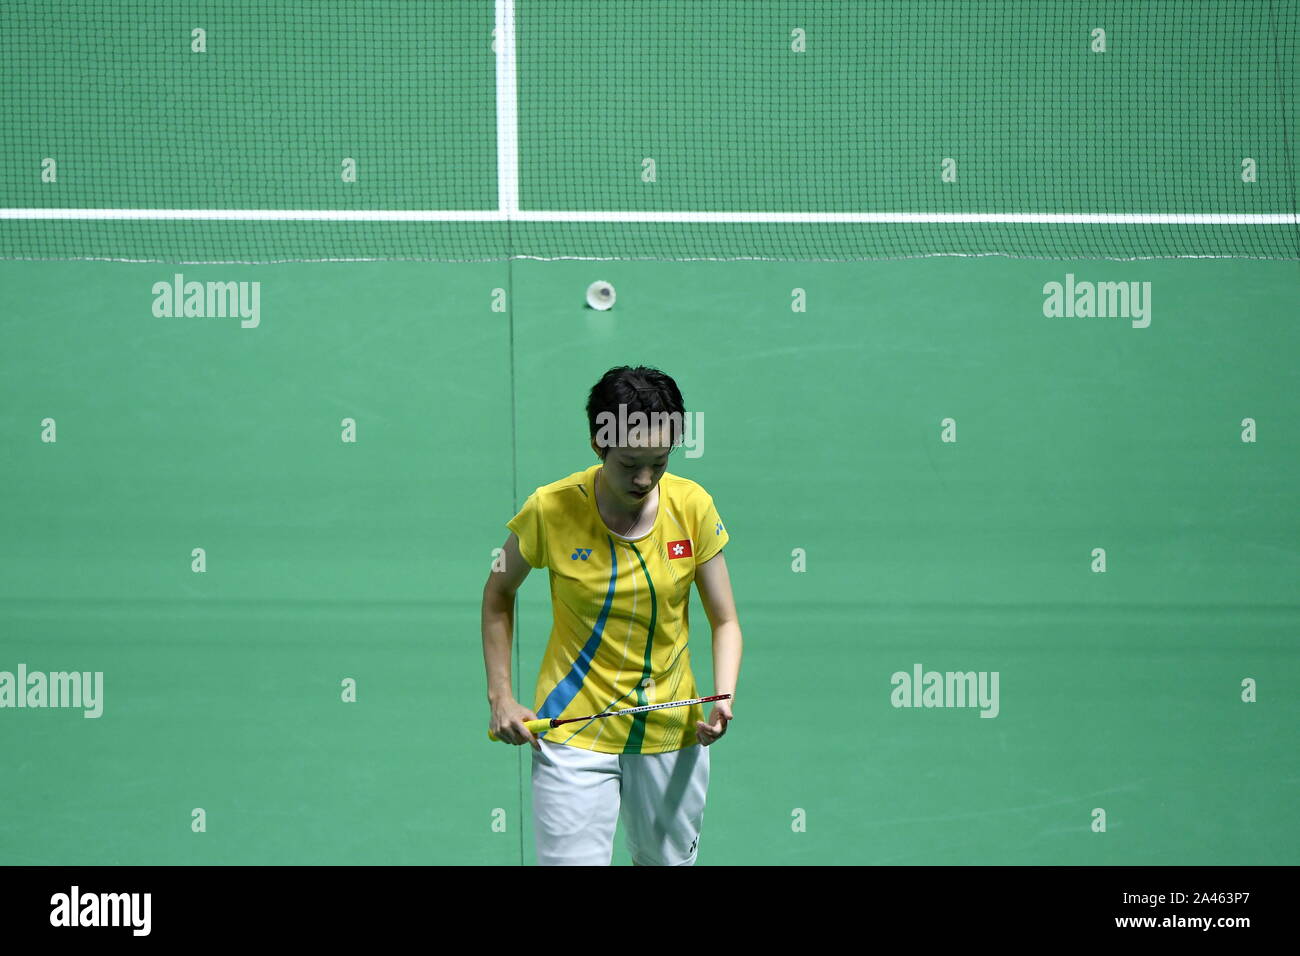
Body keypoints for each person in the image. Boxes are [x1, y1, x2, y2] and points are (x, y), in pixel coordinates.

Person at [482, 365, 743, 865]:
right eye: (629, 463)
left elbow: (725, 620)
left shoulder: (693, 507)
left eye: (659, 462)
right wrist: (501, 697)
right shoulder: (550, 509)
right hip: (573, 732)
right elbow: (498, 594)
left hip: (670, 730)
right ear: (598, 443)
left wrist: (724, 695)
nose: (644, 479)